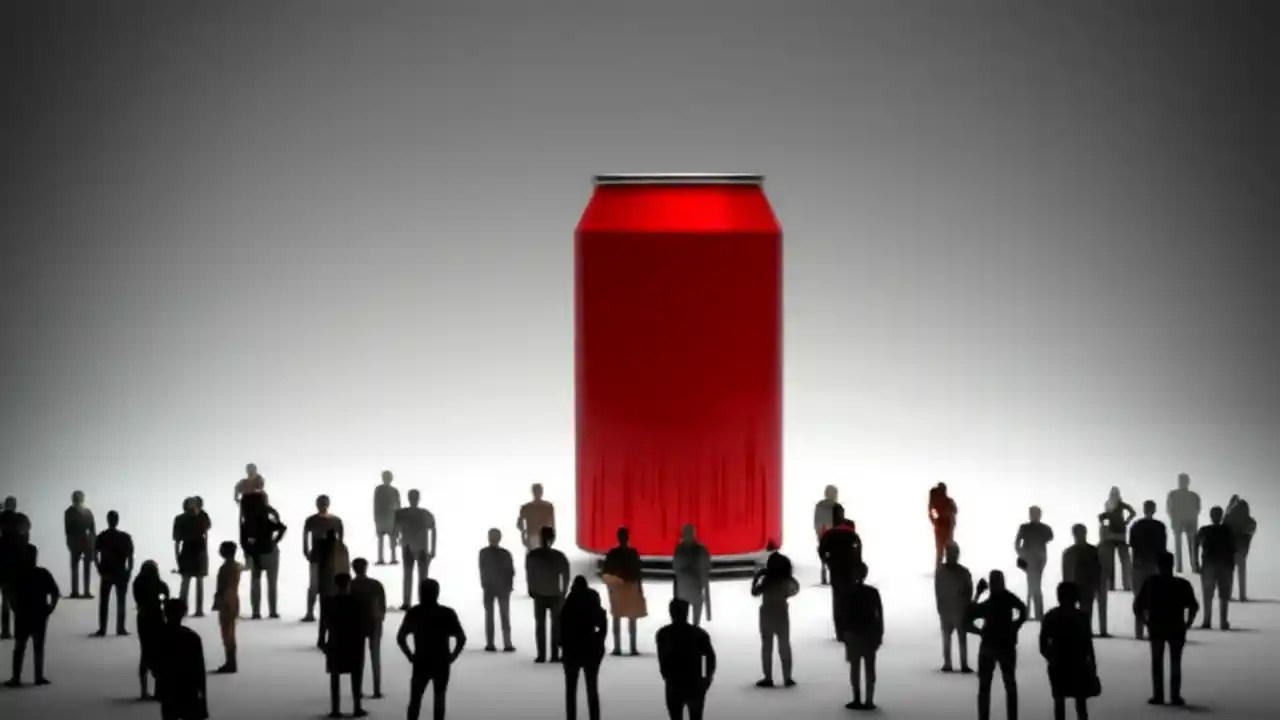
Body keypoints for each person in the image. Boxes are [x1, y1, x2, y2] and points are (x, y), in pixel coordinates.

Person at [1134, 551, 1198, 706]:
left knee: (1157, 662)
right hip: (1176, 626)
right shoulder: (1182, 584)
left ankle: (1158, 695)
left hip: (1156, 626)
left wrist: (1145, 622)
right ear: (1172, 565)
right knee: (1176, 662)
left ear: (1157, 565)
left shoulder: (1150, 583)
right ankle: (1175, 696)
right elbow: (1193, 606)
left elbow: (1137, 606)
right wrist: (1188, 623)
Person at [399, 579, 466, 720]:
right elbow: (461, 638)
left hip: (421, 661)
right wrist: (452, 656)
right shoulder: (447, 613)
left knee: (415, 700)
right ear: (437, 593)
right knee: (439, 698)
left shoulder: (415, 613)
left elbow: (401, 637)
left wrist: (410, 655)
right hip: (441, 661)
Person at [967, 570, 1028, 720]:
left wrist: (977, 594)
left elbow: (968, 617)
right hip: (1006, 644)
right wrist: (1015, 626)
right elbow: (1023, 610)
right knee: (1009, 684)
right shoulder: (1008, 598)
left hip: (989, 644)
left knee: (985, 687)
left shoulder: (990, 603)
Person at [1039, 583, 1098, 720]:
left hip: (1058, 664)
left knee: (1059, 701)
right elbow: (1088, 644)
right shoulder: (1082, 617)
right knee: (1081, 702)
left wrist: (1050, 657)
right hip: (1079, 664)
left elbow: (1042, 642)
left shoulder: (1051, 616)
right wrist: (1092, 665)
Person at [5, 544, 58, 687]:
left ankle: (16, 677)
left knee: (21, 646)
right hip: (38, 614)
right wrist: (50, 607)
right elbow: (55, 592)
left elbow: (10, 593)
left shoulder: (19, 574)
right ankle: (38, 676)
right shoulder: (42, 573)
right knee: (37, 646)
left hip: (24, 613)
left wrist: (14, 606)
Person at [655, 599, 716, 720]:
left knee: (675, 715)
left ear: (671, 613)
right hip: (695, 681)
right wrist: (705, 679)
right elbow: (709, 659)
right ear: (687, 612)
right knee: (696, 715)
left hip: (674, 682)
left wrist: (667, 676)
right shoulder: (699, 633)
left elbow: (663, 659)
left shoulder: (663, 633)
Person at [560, 576, 608, 720]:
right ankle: (594, 716)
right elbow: (602, 625)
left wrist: (563, 647)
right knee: (592, 687)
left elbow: (561, 628)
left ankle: (571, 716)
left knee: (570, 689)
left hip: (572, 650)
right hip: (591, 648)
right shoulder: (593, 601)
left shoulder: (570, 602)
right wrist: (599, 641)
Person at [751, 549, 798, 688]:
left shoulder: (767, 581)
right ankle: (787, 677)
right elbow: (794, 589)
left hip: (766, 613)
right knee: (784, 645)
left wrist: (757, 577)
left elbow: (754, 592)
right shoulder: (785, 581)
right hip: (782, 613)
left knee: (767, 646)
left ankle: (768, 677)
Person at [323, 573, 367, 718]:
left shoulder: (329, 602)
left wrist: (322, 640)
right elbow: (362, 624)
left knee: (335, 677)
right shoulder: (357, 601)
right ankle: (357, 707)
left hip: (335, 640)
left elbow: (324, 623)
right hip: (354, 641)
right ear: (349, 584)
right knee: (356, 675)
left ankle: (335, 708)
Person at [155, 599, 208, 720]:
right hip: (189, 688)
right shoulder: (192, 637)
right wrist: (203, 700)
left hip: (169, 687)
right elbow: (199, 670)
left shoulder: (160, 636)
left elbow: (155, 664)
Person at [841, 562, 883, 711]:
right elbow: (879, 615)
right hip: (869, 633)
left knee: (855, 667)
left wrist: (843, 634)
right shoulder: (872, 592)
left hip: (854, 634)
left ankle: (856, 698)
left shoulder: (848, 593)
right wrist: (879, 634)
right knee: (869, 668)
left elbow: (844, 616)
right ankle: (869, 699)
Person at [818, 504, 862, 640]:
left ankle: (840, 631)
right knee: (850, 599)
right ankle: (851, 628)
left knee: (838, 601)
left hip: (836, 570)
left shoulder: (830, 534)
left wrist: (828, 562)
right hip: (850, 570)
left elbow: (821, 551)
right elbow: (858, 551)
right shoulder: (851, 532)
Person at [527, 526, 571, 663]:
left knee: (540, 625)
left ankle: (541, 654)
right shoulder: (559, 556)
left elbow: (530, 574)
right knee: (556, 626)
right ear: (553, 539)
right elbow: (566, 574)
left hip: (539, 593)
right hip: (555, 594)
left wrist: (531, 588)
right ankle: (554, 654)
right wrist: (563, 591)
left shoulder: (532, 555)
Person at [601, 526, 645, 656]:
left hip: (617, 587)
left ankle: (617, 647)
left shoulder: (612, 553)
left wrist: (609, 586)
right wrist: (640, 589)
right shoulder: (633, 552)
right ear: (627, 537)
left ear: (618, 538)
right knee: (632, 618)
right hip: (631, 586)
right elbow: (638, 571)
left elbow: (606, 571)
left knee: (617, 616)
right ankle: (633, 647)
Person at [1129, 500, 1168, 640]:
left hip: (1139, 565)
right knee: (1154, 600)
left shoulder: (1136, 525)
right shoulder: (1160, 526)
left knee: (1139, 599)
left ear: (1144, 509)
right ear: (1155, 509)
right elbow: (1163, 549)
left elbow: (1133, 545)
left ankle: (1138, 632)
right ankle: (1153, 630)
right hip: (1154, 565)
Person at [242, 497, 286, 620]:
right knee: (272, 583)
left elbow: (244, 539)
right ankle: (273, 611)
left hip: (256, 552)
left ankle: (256, 612)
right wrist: (275, 541)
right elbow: (282, 527)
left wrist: (247, 552)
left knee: (255, 582)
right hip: (270, 551)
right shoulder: (267, 517)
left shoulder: (249, 520)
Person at [303, 494, 344, 622]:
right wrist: (306, 551)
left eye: (324, 504)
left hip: (327, 556)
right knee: (315, 585)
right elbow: (305, 536)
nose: (322, 506)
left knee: (326, 585)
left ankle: (319, 612)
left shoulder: (335, 521)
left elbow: (340, 540)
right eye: (321, 504)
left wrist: (306, 551)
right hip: (318, 556)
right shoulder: (313, 520)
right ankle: (310, 612)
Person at [349, 558, 387, 700]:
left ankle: (357, 690)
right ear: (366, 567)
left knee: (358, 659)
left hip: (357, 624)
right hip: (374, 622)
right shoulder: (376, 584)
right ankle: (377, 689)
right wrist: (380, 617)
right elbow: (382, 606)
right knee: (375, 657)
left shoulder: (351, 585)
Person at [132, 559, 169, 700]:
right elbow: (166, 599)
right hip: (157, 619)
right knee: (159, 653)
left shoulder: (138, 583)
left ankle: (143, 690)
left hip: (143, 619)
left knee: (145, 652)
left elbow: (138, 599)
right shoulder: (160, 584)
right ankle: (159, 689)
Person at [94, 510, 134, 637]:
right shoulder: (125, 537)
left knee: (104, 601)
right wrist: (129, 571)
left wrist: (99, 567)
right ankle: (120, 627)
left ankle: (102, 628)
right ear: (118, 521)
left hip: (106, 572)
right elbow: (130, 556)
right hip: (120, 572)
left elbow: (95, 554)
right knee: (121, 601)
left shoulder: (102, 536)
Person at [936, 542, 974, 673]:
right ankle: (961, 663)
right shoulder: (962, 572)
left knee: (948, 637)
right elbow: (969, 590)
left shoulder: (942, 571)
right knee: (959, 637)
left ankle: (949, 663)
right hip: (957, 609)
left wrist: (940, 607)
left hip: (951, 609)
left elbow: (938, 590)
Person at [1196, 506, 1236, 630]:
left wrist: (1195, 562)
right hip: (1225, 565)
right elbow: (1233, 549)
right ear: (1221, 516)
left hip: (1208, 565)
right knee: (1224, 595)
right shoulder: (1228, 531)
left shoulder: (1204, 530)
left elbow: (1195, 544)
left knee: (1207, 595)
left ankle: (1206, 620)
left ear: (1211, 516)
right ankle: (1223, 621)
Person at [1061, 524, 1106, 637]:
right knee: (1086, 612)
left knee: (1073, 612)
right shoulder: (1092, 550)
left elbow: (1065, 572)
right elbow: (1097, 570)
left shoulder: (1068, 552)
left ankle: (1077, 632)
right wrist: (1097, 586)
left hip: (1074, 586)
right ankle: (1084, 631)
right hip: (1086, 586)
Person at [396, 489, 436, 611]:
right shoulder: (425, 514)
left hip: (410, 546)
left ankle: (407, 602)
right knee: (421, 576)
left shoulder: (402, 513)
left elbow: (395, 530)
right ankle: (419, 601)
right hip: (420, 547)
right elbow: (433, 531)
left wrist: (397, 541)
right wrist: (433, 550)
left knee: (410, 575)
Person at [478, 528, 515, 653]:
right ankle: (507, 643)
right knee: (505, 616)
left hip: (489, 587)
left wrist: (484, 584)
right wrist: (509, 586)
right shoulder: (505, 553)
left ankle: (490, 643)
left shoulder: (483, 553)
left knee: (489, 616)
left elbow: (482, 570)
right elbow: (511, 572)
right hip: (503, 588)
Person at [0, 496, 32, 640]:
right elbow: (26, 538)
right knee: (18, 598)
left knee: (5, 599)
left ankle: (5, 630)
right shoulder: (22, 519)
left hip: (3, 563)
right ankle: (21, 628)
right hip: (18, 563)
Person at [1014, 506, 1053, 621]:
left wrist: (1021, 553)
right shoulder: (1042, 528)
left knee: (1033, 585)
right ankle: (1036, 613)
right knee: (1034, 585)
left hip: (1036, 559)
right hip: (1034, 558)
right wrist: (1022, 554)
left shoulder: (1027, 528)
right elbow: (1017, 543)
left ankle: (1030, 612)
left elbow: (1017, 543)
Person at [172, 497, 210, 618]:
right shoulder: (185, 519)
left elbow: (177, 541)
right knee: (187, 582)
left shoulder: (200, 517)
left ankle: (197, 609)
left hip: (197, 552)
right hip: (191, 552)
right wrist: (177, 558)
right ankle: (185, 609)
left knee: (193, 582)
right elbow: (177, 541)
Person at [316, 528, 352, 649]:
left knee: (325, 614)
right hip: (340, 585)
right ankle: (338, 638)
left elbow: (313, 559)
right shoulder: (342, 547)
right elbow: (346, 565)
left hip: (326, 584)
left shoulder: (322, 546)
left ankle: (322, 638)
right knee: (340, 614)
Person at [212, 541, 244, 673]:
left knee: (227, 634)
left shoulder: (226, 568)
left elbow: (226, 586)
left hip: (227, 601)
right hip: (232, 600)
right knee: (230, 633)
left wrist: (221, 601)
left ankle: (230, 663)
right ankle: (231, 662)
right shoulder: (235, 566)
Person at [1096, 487, 1135, 592]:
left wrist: (1126, 522)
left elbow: (1132, 512)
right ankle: (1117, 585)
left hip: (1117, 534)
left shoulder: (1118, 504)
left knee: (1122, 561)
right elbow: (1132, 513)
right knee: (1116, 561)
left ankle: (1124, 584)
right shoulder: (1112, 504)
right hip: (1115, 534)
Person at [672, 524, 711, 626]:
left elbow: (675, 568)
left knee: (683, 619)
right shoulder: (700, 549)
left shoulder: (680, 549)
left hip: (684, 588)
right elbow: (707, 567)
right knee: (695, 618)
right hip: (695, 587)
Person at [63, 491, 96, 599]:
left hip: (81, 542)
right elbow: (92, 530)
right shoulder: (84, 512)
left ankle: (80, 591)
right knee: (77, 567)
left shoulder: (72, 512)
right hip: (81, 542)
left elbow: (92, 529)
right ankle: (79, 591)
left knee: (79, 567)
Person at [1224, 495, 1257, 602]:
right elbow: (1250, 535)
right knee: (1242, 573)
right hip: (1242, 549)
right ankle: (1242, 596)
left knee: (1229, 573)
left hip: (1229, 549)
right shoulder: (1251, 521)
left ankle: (1228, 594)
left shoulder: (1228, 519)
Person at [1166, 473, 1201, 573]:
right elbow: (1169, 509)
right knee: (1186, 544)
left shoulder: (1191, 495)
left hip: (1186, 521)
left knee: (1191, 544)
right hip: (1183, 521)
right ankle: (1183, 567)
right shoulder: (1191, 495)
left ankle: (1190, 566)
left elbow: (1197, 509)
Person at [517, 483, 555, 554]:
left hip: (532, 535)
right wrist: (552, 536)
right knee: (543, 559)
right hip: (544, 535)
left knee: (533, 559)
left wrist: (523, 535)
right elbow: (552, 523)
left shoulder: (526, 507)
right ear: (542, 492)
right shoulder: (548, 506)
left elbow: (519, 524)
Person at [373, 470, 402, 566]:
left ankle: (389, 558)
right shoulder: (383, 490)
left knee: (391, 539)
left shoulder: (392, 490)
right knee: (384, 539)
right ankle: (383, 558)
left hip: (389, 518)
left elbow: (398, 506)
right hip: (385, 517)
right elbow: (376, 505)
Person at [814, 485, 839, 585]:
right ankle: (832, 576)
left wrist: (818, 532)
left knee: (824, 555)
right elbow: (840, 522)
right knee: (835, 556)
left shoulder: (820, 505)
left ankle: (824, 576)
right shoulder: (837, 506)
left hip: (823, 533)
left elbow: (816, 521)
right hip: (834, 534)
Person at [929, 483, 958, 567]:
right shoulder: (936, 503)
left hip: (946, 528)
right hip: (942, 529)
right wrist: (938, 520)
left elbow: (954, 510)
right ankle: (942, 571)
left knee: (946, 551)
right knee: (941, 552)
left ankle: (946, 570)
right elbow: (932, 513)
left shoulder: (948, 501)